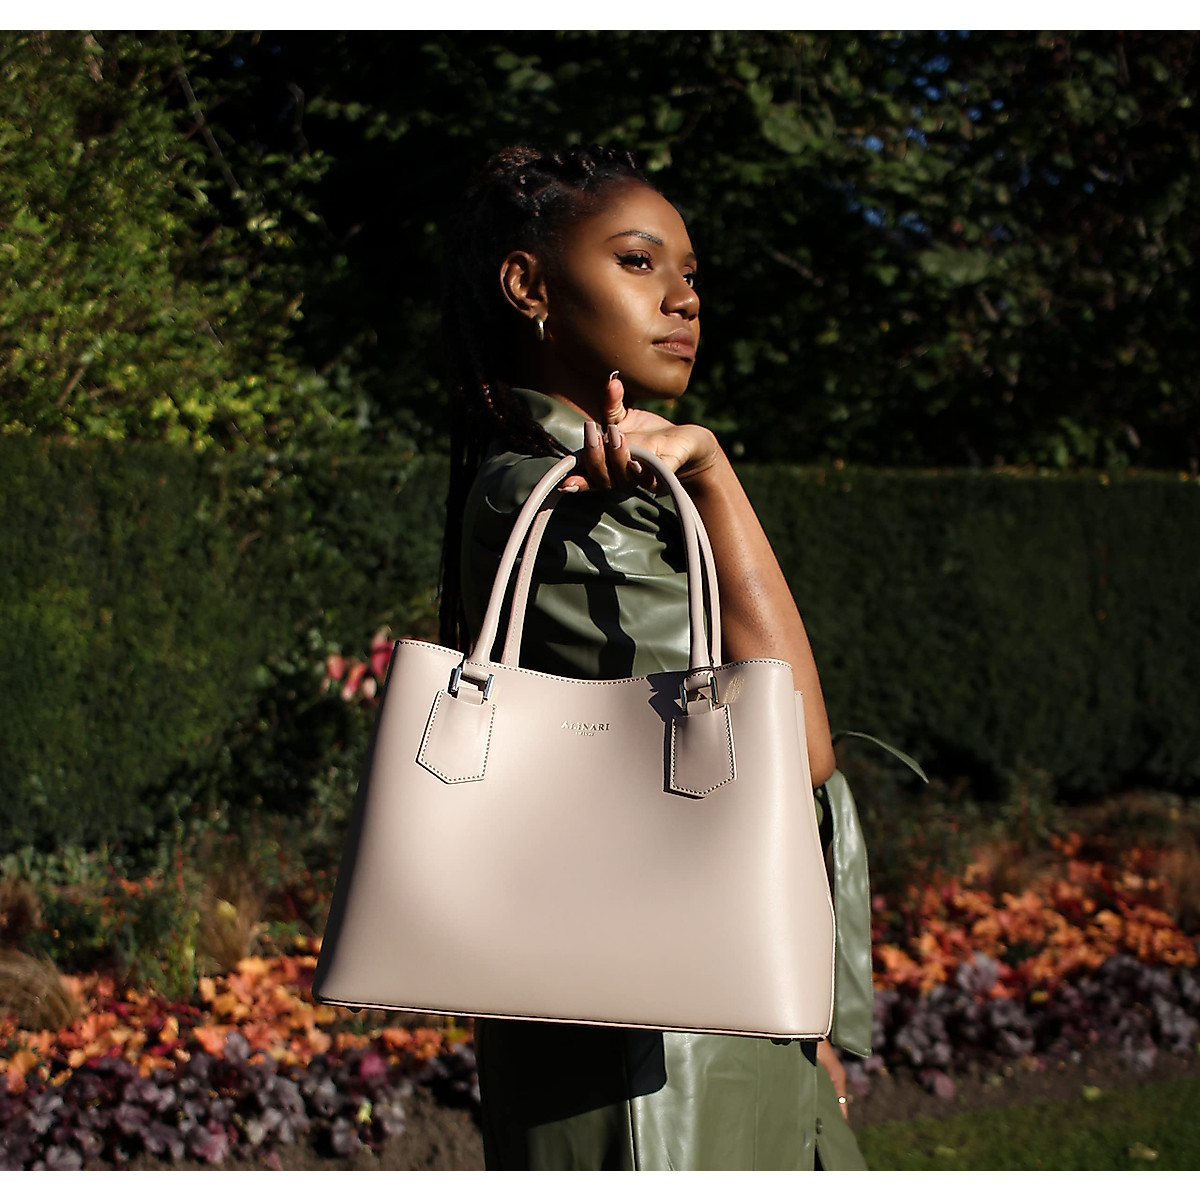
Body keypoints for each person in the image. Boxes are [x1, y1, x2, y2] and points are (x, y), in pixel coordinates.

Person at [437, 143, 866, 1170]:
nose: (684, 297)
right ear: (530, 286)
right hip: (666, 1051)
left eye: (690, 273)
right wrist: (712, 472)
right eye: (638, 262)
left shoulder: (534, 478)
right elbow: (793, 748)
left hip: (675, 999)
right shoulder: (578, 506)